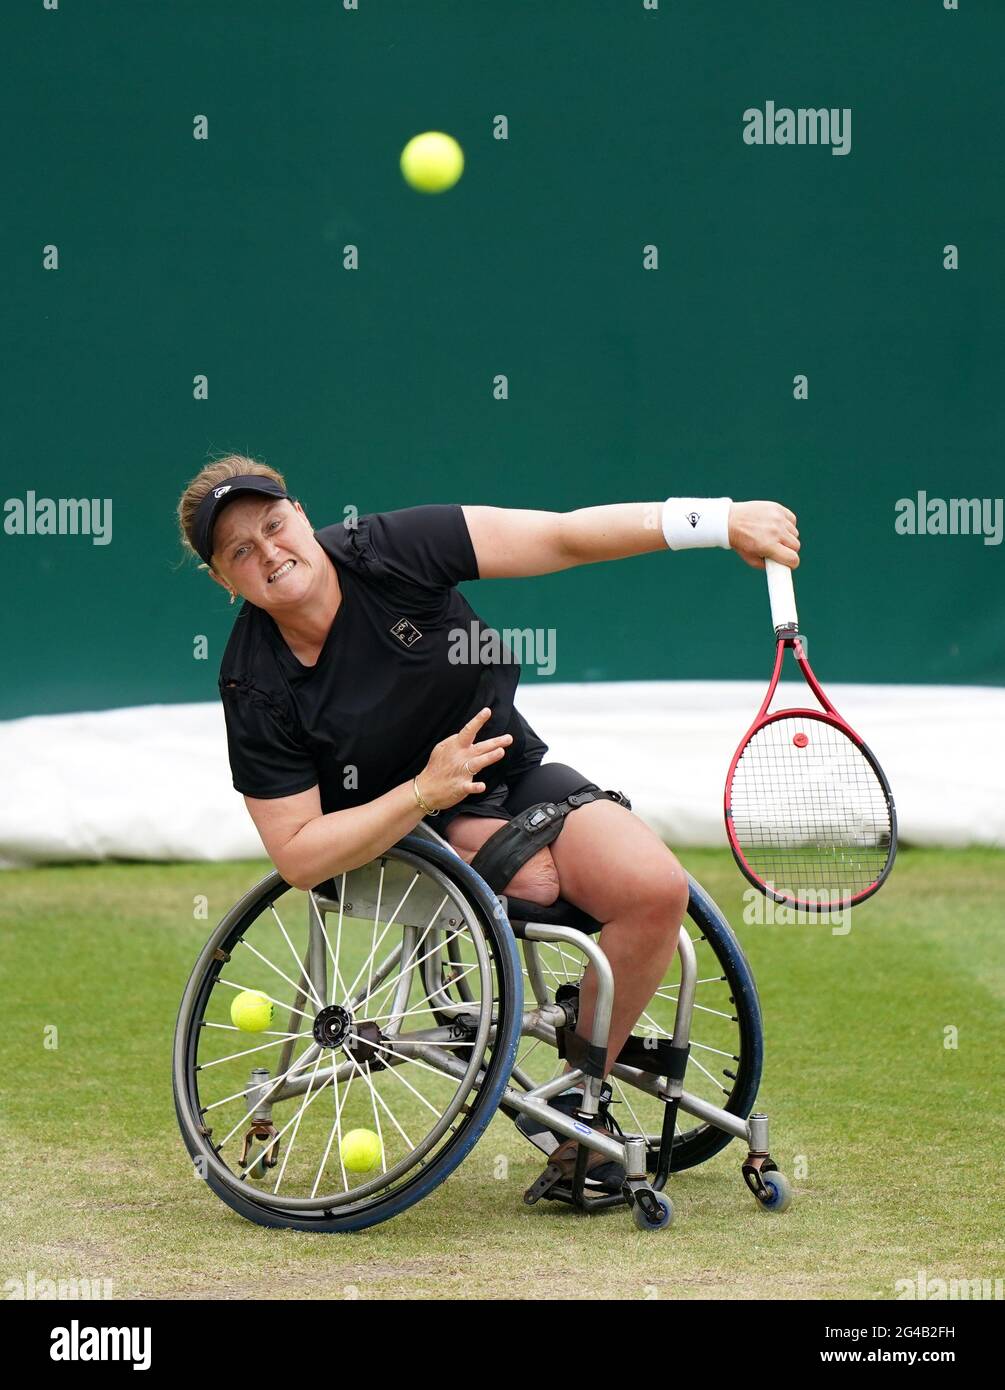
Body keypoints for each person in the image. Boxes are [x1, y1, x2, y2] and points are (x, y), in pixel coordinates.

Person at [176, 454, 799, 1189]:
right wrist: (420, 793)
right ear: (223, 580)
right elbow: (299, 855)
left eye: (275, 527)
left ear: (303, 517)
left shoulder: (390, 550)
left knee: (652, 889)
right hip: (389, 836)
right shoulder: (254, 681)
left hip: (507, 772)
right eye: (240, 551)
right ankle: (583, 1059)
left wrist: (717, 520)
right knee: (536, 879)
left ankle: (579, 1095)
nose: (270, 553)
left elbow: (563, 537)